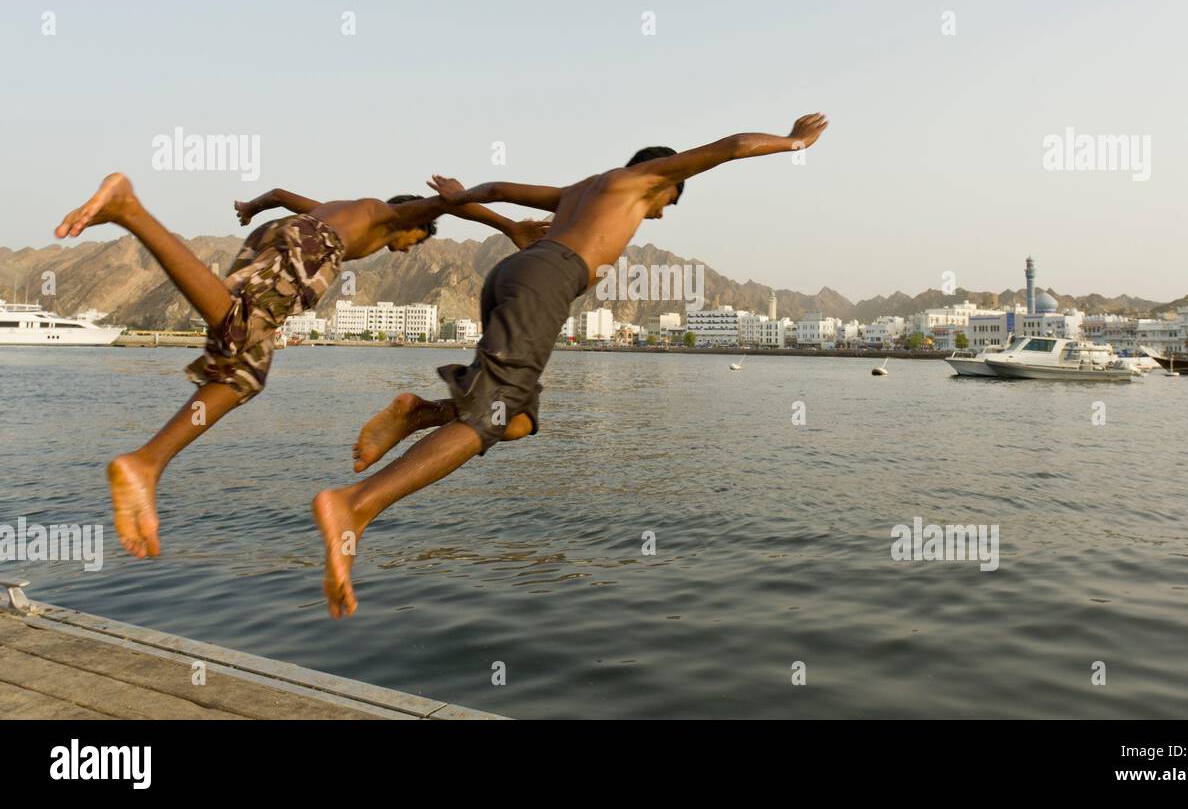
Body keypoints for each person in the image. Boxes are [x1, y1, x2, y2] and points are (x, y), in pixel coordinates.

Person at [314, 113, 828, 616]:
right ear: (667, 176)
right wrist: (793, 142)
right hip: (546, 279)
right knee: (490, 416)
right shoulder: (644, 178)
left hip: (514, 272)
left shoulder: (581, 189)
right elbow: (732, 146)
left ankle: (419, 413)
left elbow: (500, 188)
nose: (664, 212)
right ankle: (356, 506)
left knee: (514, 422)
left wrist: (460, 195)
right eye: (673, 198)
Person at [54, 173, 548, 559]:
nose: (409, 249)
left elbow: (282, 194)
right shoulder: (385, 216)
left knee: (242, 370)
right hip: (312, 248)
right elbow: (449, 205)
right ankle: (130, 210)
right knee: (239, 329)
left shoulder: (347, 211)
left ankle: (146, 462)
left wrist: (252, 207)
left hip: (286, 236)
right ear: (410, 223)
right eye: (416, 241)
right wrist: (510, 227)